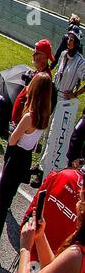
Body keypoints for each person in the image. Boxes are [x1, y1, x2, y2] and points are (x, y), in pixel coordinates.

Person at [0, 74, 52, 259]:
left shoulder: (29, 116)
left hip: (16, 156)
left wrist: (14, 131)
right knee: (6, 200)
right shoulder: (44, 117)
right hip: (25, 158)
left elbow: (12, 140)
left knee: (2, 205)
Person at [43, 28, 85, 172]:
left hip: (65, 100)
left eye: (72, 40)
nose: (69, 42)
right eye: (68, 39)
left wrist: (75, 93)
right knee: (46, 130)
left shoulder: (80, 61)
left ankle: (46, 167)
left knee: (56, 132)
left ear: (77, 43)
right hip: (55, 94)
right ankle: (41, 163)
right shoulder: (62, 55)